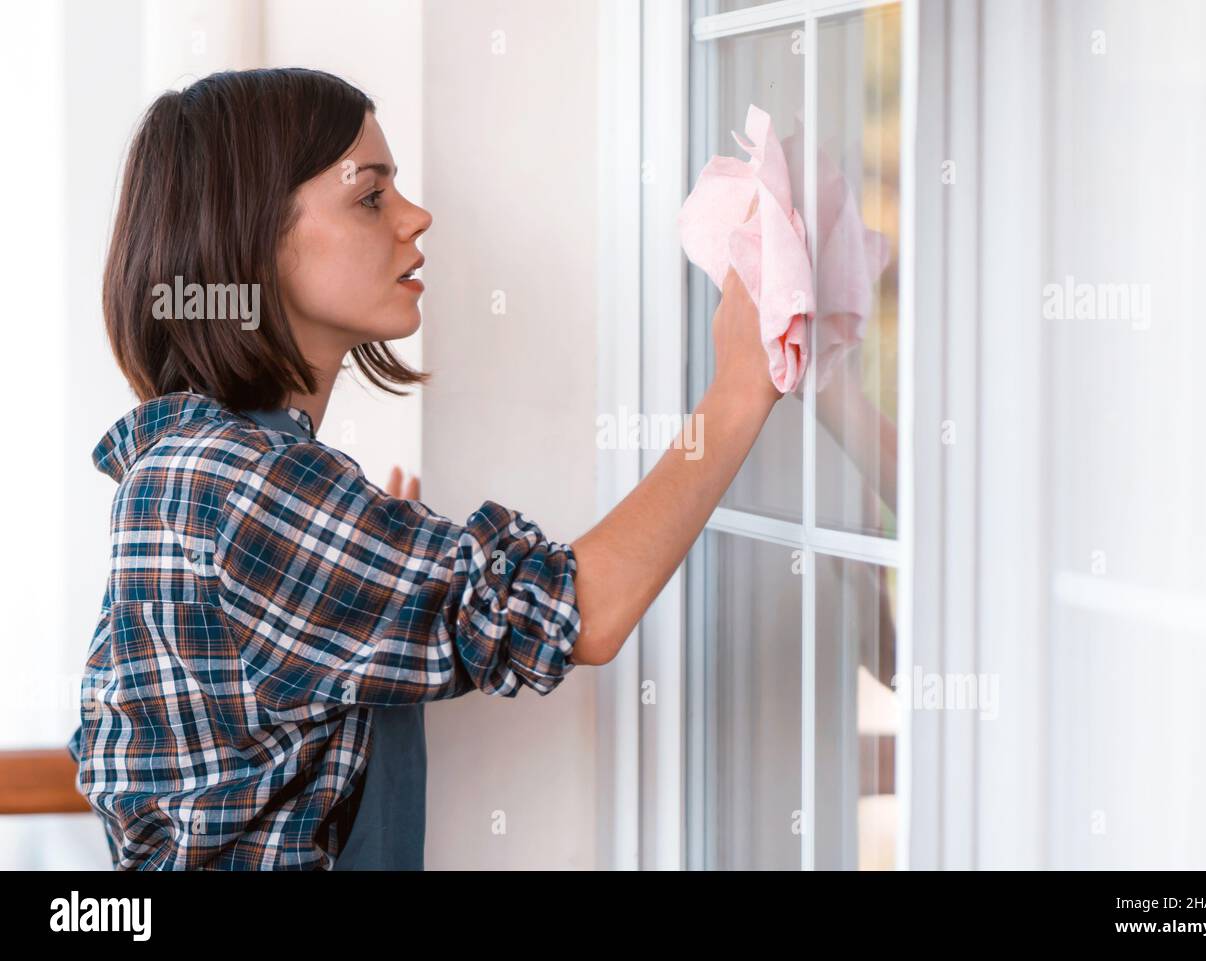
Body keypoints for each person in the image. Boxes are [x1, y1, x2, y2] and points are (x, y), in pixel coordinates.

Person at [67, 67, 780, 870]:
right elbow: (584, 608)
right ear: (251, 240)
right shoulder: (238, 488)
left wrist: (368, 556)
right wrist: (739, 387)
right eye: (370, 196)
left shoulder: (197, 468)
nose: (416, 217)